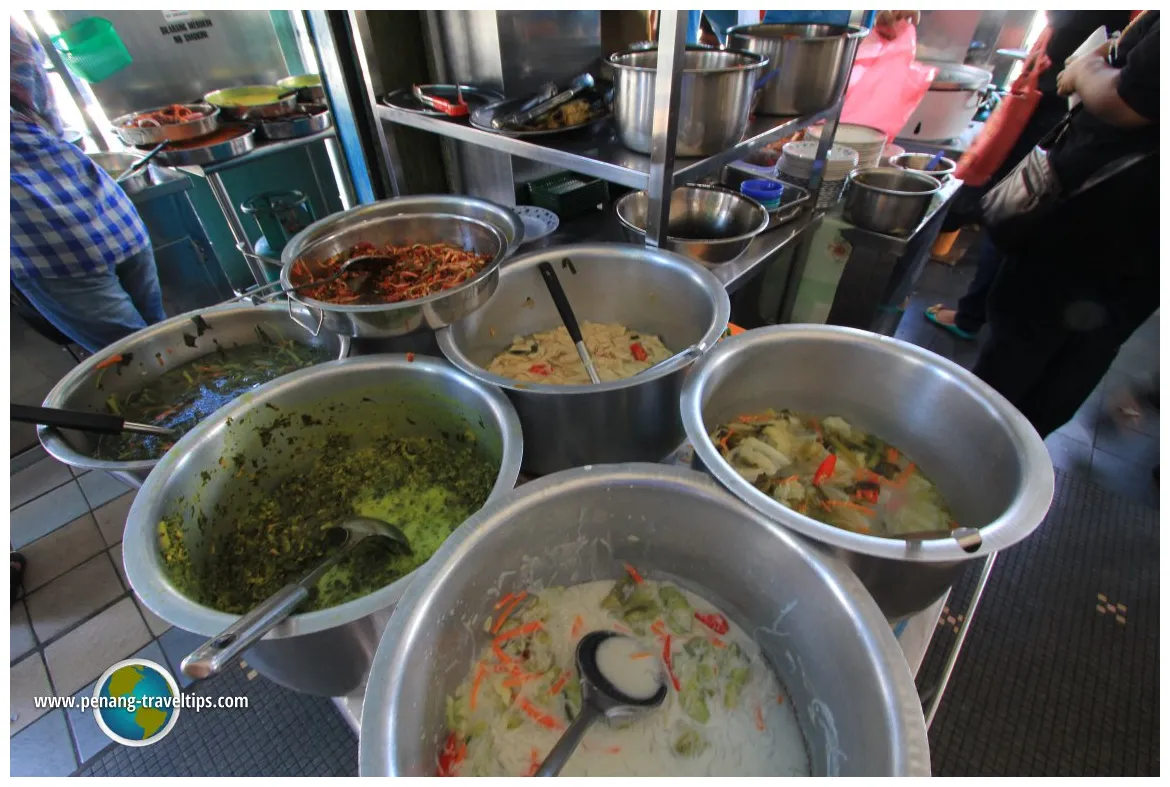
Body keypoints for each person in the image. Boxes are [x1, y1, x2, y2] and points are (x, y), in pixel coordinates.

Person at [968, 11, 1158, 440]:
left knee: (1021, 341)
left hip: (1095, 217)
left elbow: (1125, 101)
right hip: (1143, 250)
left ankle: (971, 448)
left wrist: (1086, 66)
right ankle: (1019, 459)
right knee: (1089, 347)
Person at [924, 10, 1134, 340]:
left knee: (1014, 210)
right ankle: (988, 317)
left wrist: (1082, 69)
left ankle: (974, 316)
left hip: (1063, 117)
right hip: (1077, 126)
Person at [10, 19, 165, 354]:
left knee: (137, 360)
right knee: (166, 338)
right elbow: (54, 127)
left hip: (45, 244)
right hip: (110, 215)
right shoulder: (12, 32)